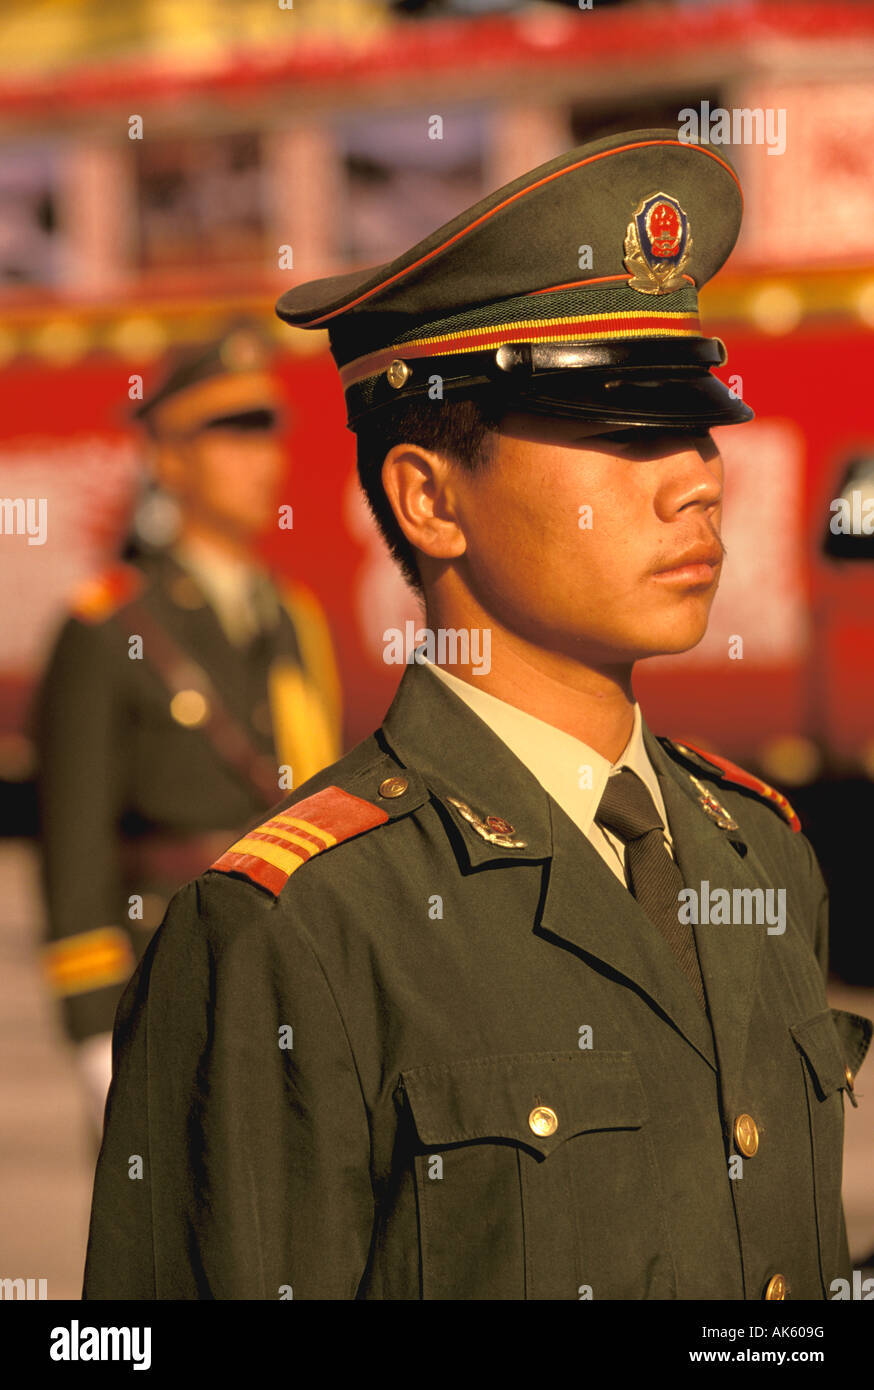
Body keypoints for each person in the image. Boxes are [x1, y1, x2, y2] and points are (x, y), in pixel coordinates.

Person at [84, 129, 870, 1300]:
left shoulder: (758, 852)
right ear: (427, 496)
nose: (698, 475)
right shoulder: (292, 932)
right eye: (621, 428)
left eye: (695, 422)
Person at [38, 326, 342, 1132]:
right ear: (168, 461)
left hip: (291, 976)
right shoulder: (106, 628)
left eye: (264, 430)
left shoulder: (292, 618)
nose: (257, 457)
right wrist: (95, 1028)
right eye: (225, 433)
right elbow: (74, 847)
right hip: (164, 975)